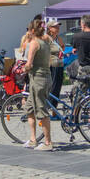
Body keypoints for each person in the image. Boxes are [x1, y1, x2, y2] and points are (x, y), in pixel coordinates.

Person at [22, 22, 56, 150]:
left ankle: (48, 143)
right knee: (30, 108)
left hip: (38, 79)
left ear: (32, 30)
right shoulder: (46, 42)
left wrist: (23, 69)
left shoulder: (34, 44)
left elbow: (29, 64)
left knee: (41, 110)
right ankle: (33, 140)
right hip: (46, 77)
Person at [44, 21, 65, 104]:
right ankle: (49, 105)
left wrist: (61, 51)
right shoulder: (46, 38)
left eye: (58, 26)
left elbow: (62, 47)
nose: (58, 28)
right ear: (49, 28)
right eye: (55, 27)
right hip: (51, 65)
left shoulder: (57, 38)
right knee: (52, 86)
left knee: (57, 87)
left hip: (59, 64)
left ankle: (54, 109)